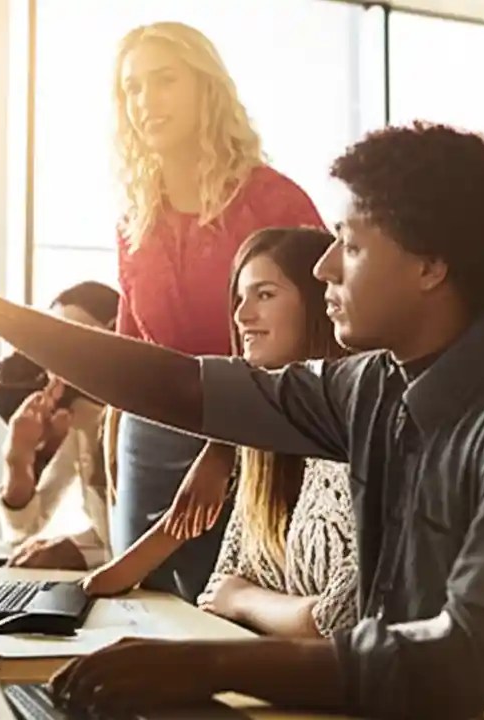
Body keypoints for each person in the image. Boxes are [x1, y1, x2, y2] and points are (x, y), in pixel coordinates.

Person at [0, 121, 484, 719]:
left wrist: (211, 664)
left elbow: (472, 660)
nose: (324, 268)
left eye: (351, 246)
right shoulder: (372, 386)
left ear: (431, 267)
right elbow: (179, 387)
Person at [108, 21, 325, 601]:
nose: (145, 101)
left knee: (228, 610)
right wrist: (114, 431)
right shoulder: (134, 215)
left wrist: (227, 446)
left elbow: (318, 339)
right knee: (139, 610)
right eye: (132, 87)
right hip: (151, 436)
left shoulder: (273, 200)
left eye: (164, 80)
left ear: (206, 87)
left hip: (261, 437)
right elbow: (130, 333)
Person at [82, 227, 360, 639]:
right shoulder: (259, 445)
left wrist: (244, 599)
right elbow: (220, 585)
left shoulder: (354, 431)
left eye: (265, 295)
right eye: (239, 299)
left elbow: (340, 618)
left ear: (320, 303)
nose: (242, 316)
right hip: (269, 665)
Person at [0, 281, 120, 570]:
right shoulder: (77, 421)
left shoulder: (146, 418)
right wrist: (18, 460)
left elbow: (155, 535)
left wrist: (84, 554)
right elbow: (24, 529)